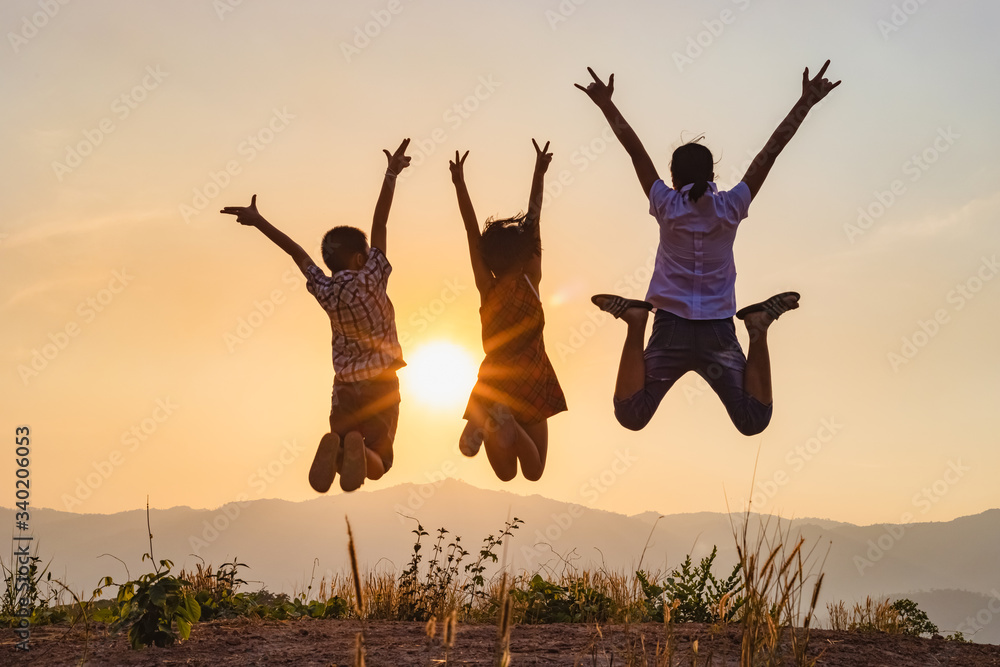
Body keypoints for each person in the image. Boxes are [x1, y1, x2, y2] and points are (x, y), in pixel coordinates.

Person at [576, 61, 840, 434]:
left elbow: (635, 152)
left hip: (670, 328)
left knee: (630, 414)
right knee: (753, 420)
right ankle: (758, 326)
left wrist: (606, 105)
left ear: (674, 177)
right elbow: (771, 151)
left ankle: (636, 322)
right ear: (713, 175)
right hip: (718, 331)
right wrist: (805, 103)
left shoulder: (666, 205)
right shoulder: (730, 206)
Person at [220, 139, 412, 492]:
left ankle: (341, 442)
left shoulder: (325, 290)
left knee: (344, 457)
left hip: (345, 388)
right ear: (359, 259)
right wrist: (391, 173)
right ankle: (355, 447)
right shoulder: (372, 276)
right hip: (381, 384)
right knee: (379, 464)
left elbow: (296, 253)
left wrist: (258, 221)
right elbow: (381, 222)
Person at [449, 140, 567, 481]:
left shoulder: (488, 288)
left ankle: (491, 416)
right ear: (527, 253)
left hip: (494, 381)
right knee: (534, 473)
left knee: (505, 475)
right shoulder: (531, 278)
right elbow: (533, 220)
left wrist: (459, 184)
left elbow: (471, 232)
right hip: (533, 378)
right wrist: (538, 173)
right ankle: (508, 421)